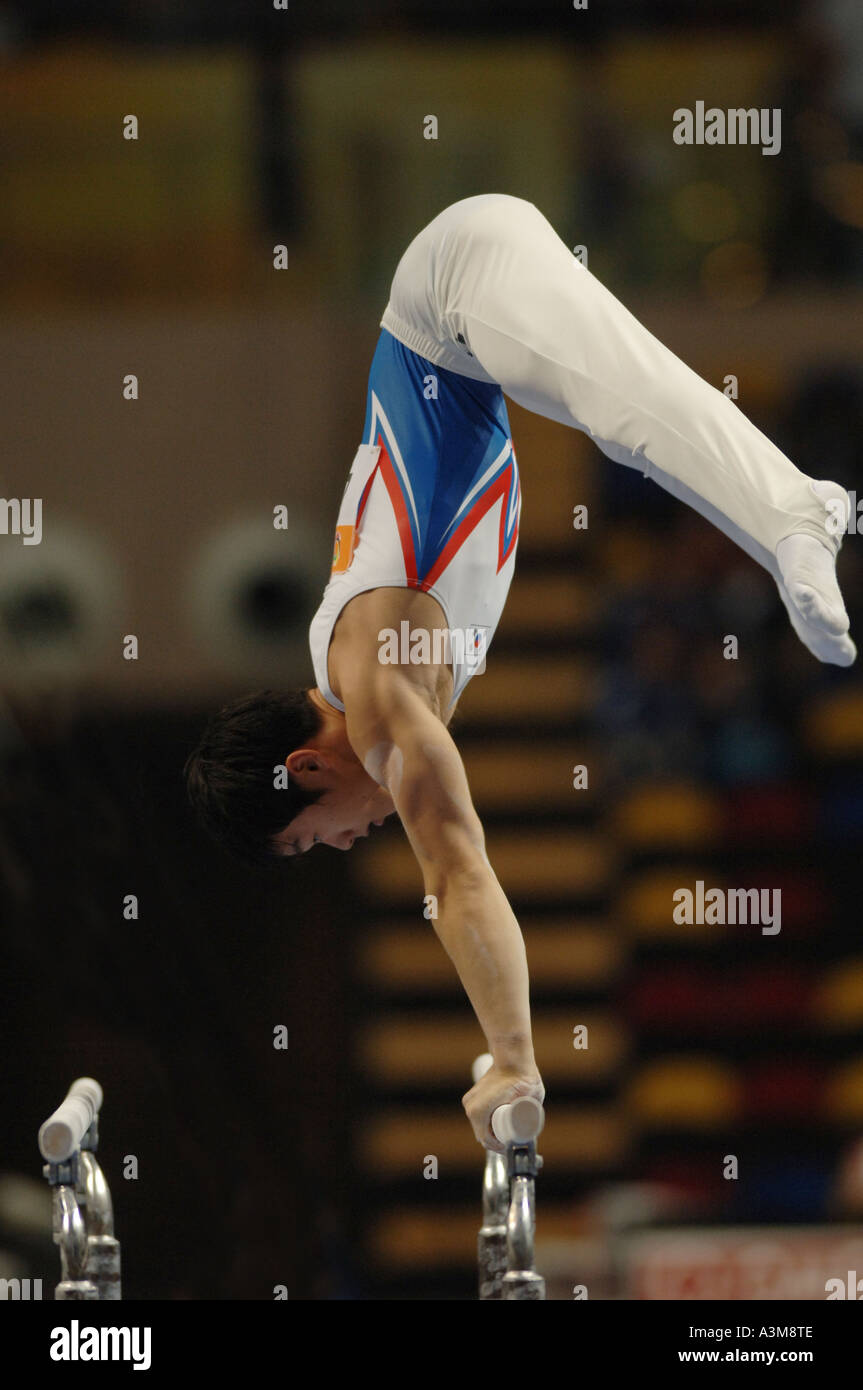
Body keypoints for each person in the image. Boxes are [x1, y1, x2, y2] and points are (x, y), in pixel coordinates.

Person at [185, 194, 855, 1151]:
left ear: (302, 769)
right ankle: (791, 511)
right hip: (464, 332)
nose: (339, 847)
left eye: (309, 841)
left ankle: (797, 510)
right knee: (611, 410)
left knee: (619, 410)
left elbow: (456, 874)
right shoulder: (371, 680)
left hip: (451, 287)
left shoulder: (377, 691)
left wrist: (513, 1055)